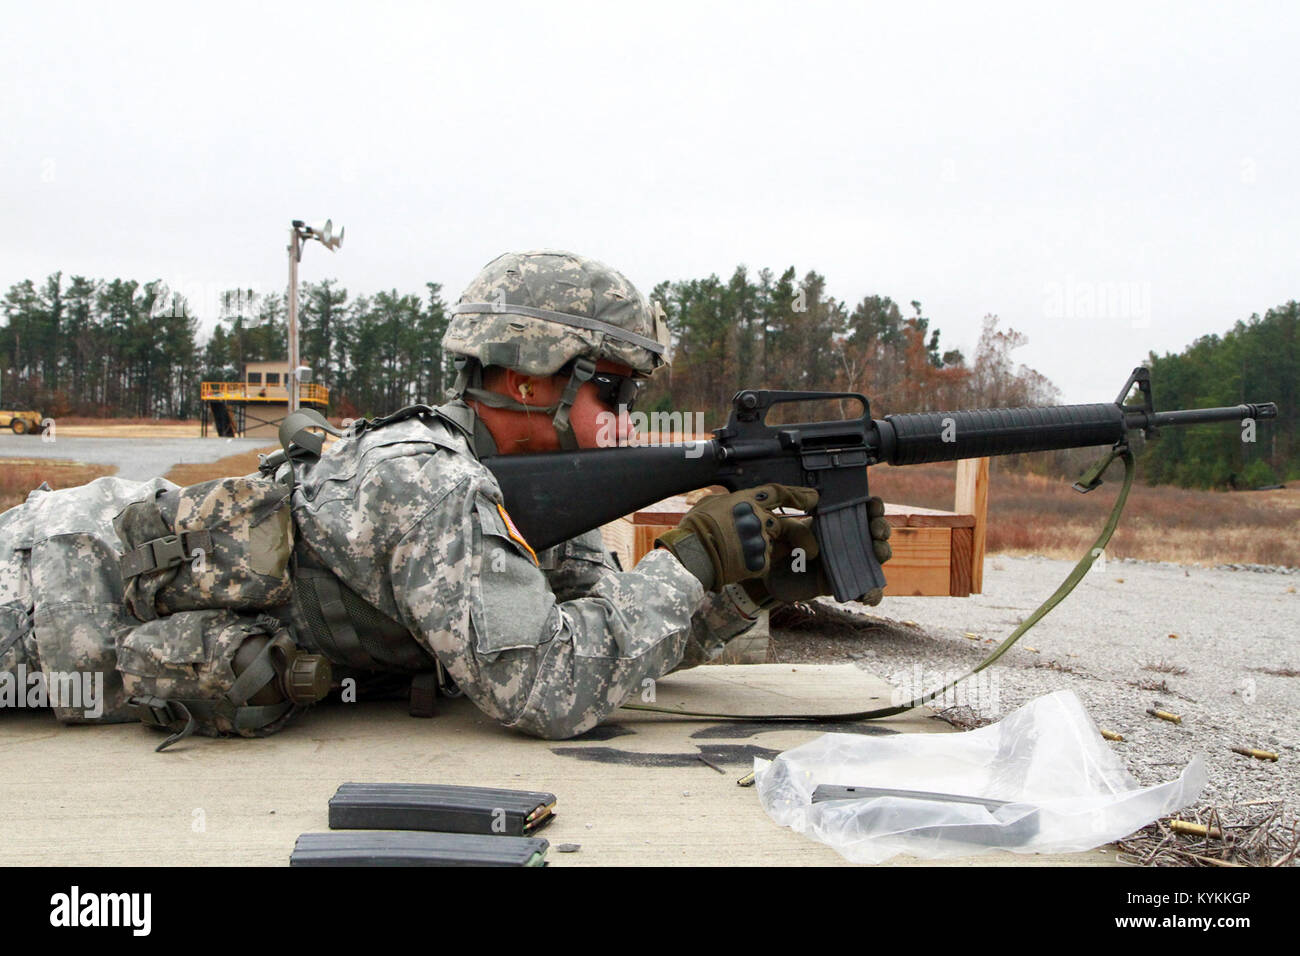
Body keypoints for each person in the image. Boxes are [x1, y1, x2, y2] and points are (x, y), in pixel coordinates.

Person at [0, 250, 891, 746]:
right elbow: (543, 690)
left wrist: (757, 581)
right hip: (43, 597)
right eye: (612, 392)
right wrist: (694, 558)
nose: (625, 419)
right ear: (531, 377)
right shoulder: (430, 481)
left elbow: (599, 641)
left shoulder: (527, 502)